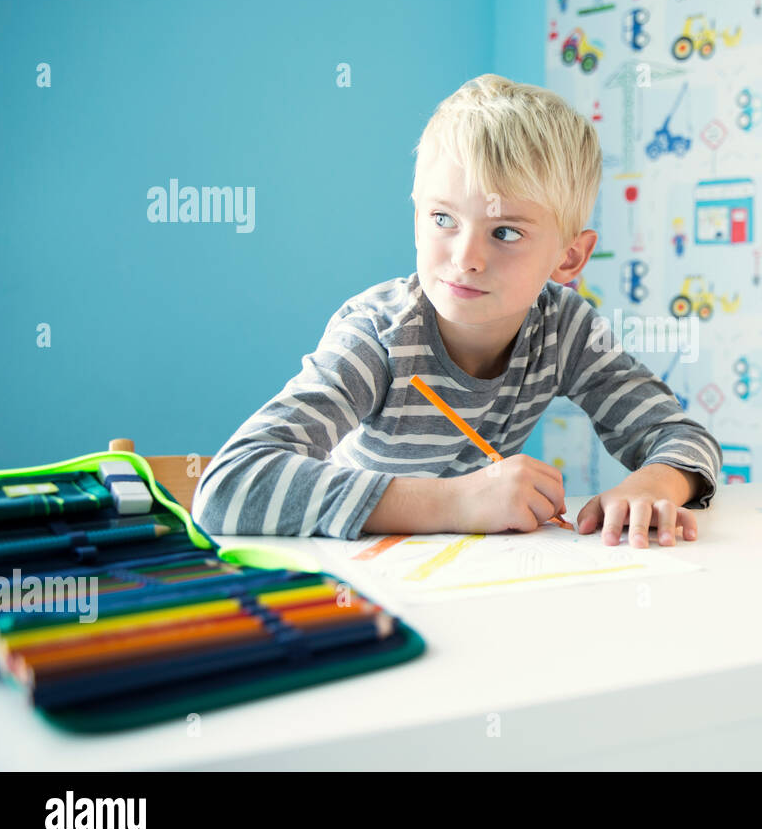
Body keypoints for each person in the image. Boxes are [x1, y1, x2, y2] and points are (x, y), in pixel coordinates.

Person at [193, 75, 721, 549]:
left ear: (569, 257)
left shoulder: (564, 329)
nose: (466, 258)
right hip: (355, 581)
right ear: (417, 218)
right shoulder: (379, 334)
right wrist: (460, 503)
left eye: (506, 232)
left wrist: (649, 487)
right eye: (443, 217)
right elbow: (229, 484)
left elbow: (685, 438)